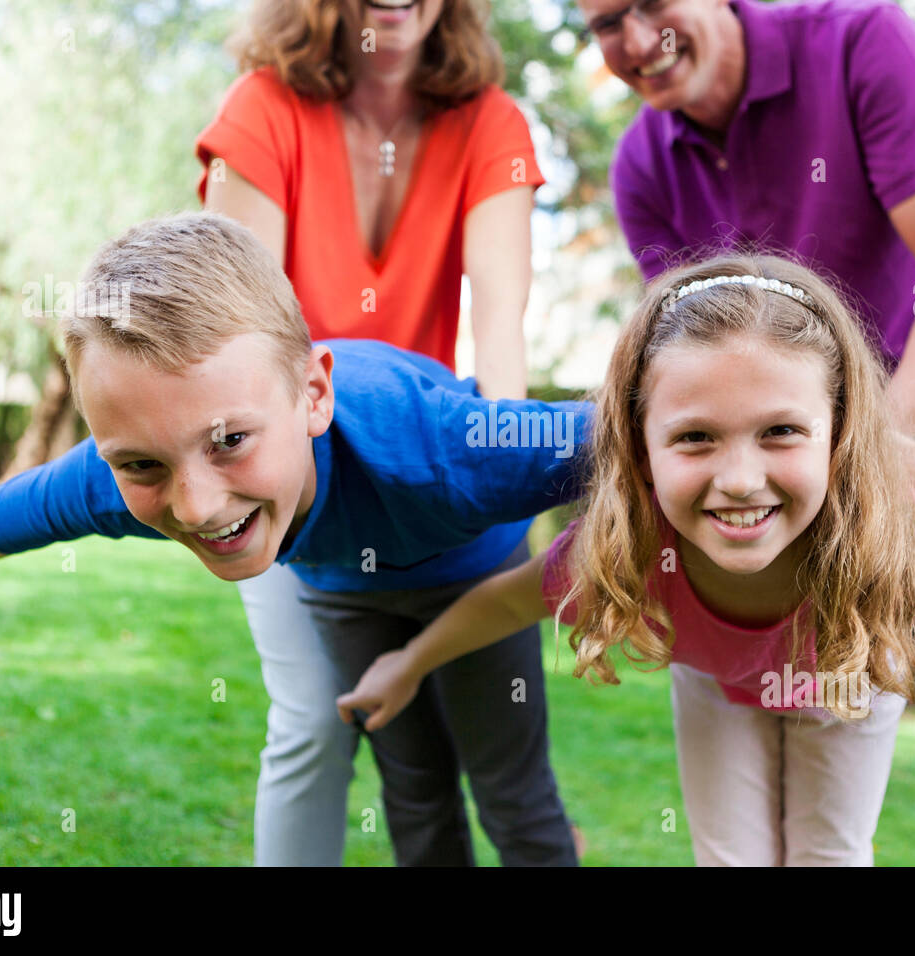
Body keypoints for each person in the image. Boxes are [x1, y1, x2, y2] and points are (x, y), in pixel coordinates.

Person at [0, 215, 915, 865]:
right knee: (409, 784)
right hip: (327, 580)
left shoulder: (458, 444)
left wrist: (863, 459)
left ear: (314, 394)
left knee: (510, 786)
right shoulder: (132, 462)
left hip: (470, 568)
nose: (190, 500)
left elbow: (663, 429)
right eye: (141, 466)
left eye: (230, 438)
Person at [336, 254, 915, 866]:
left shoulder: (906, 542)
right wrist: (409, 663)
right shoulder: (634, 547)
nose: (740, 480)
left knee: (826, 856)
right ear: (639, 445)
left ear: (841, 437)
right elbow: (507, 602)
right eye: (695, 438)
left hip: (846, 672)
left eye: (780, 431)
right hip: (718, 687)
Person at [584, 0, 915, 866]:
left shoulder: (859, 40)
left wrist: (866, 447)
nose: (633, 39)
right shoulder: (642, 164)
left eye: (650, 4)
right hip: (785, 448)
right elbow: (679, 353)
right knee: (802, 672)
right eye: (603, 22)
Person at [195, 0, 549, 864]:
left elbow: (501, 332)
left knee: (495, 771)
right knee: (320, 721)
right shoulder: (264, 109)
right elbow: (243, 338)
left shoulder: (488, 121)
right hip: (289, 484)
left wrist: (514, 494)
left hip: (412, 475)